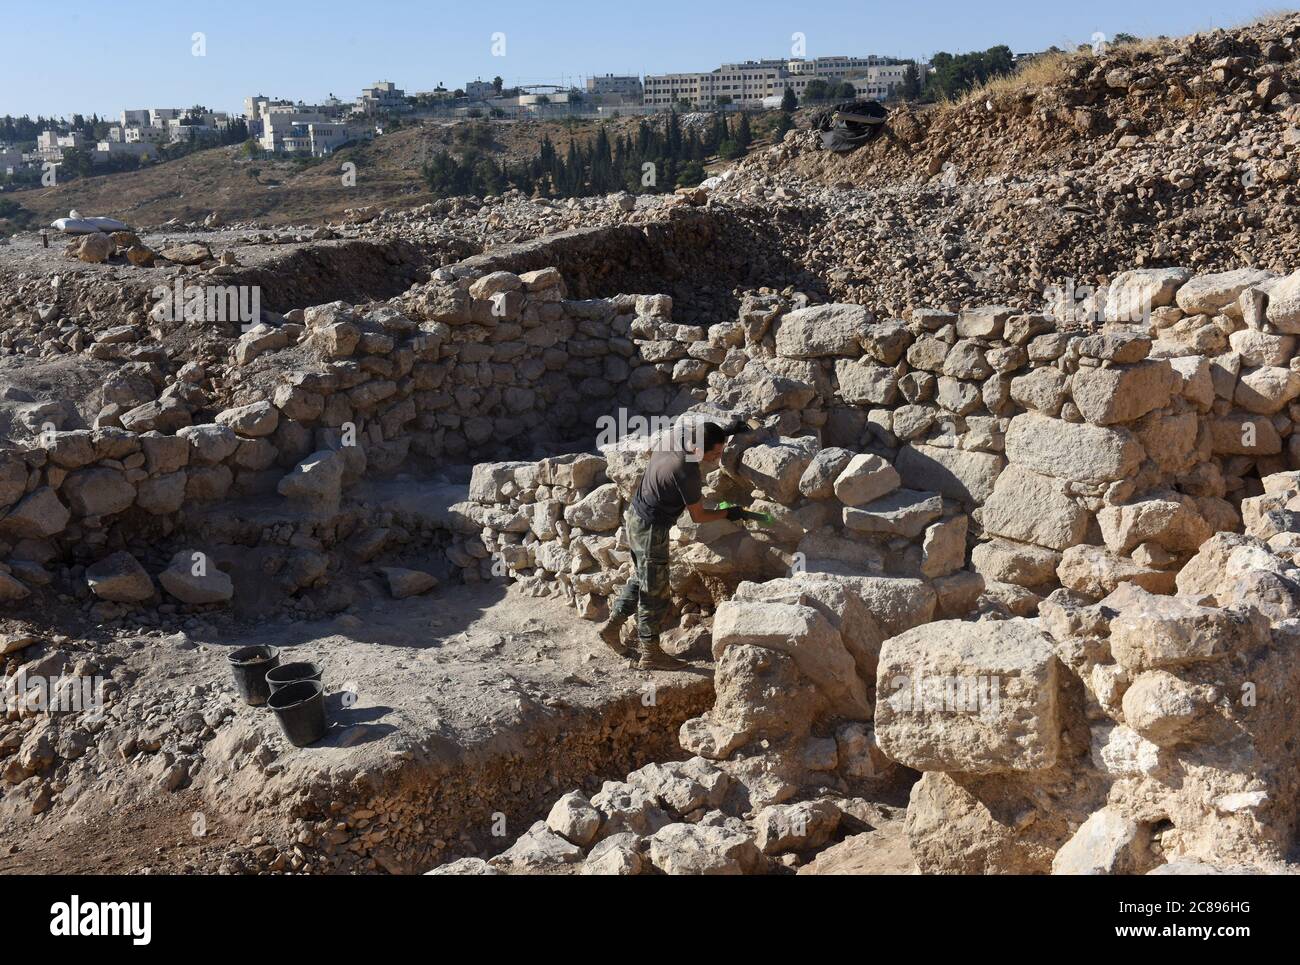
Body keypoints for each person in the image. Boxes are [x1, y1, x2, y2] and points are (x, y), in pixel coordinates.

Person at [598, 418, 749, 670]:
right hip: (651, 529)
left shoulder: (678, 436)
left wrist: (726, 431)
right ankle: (650, 653)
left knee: (642, 578)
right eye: (716, 454)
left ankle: (612, 628)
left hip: (636, 516)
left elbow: (702, 433)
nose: (718, 459)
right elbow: (698, 516)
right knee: (654, 591)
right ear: (700, 450)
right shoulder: (685, 470)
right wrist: (728, 513)